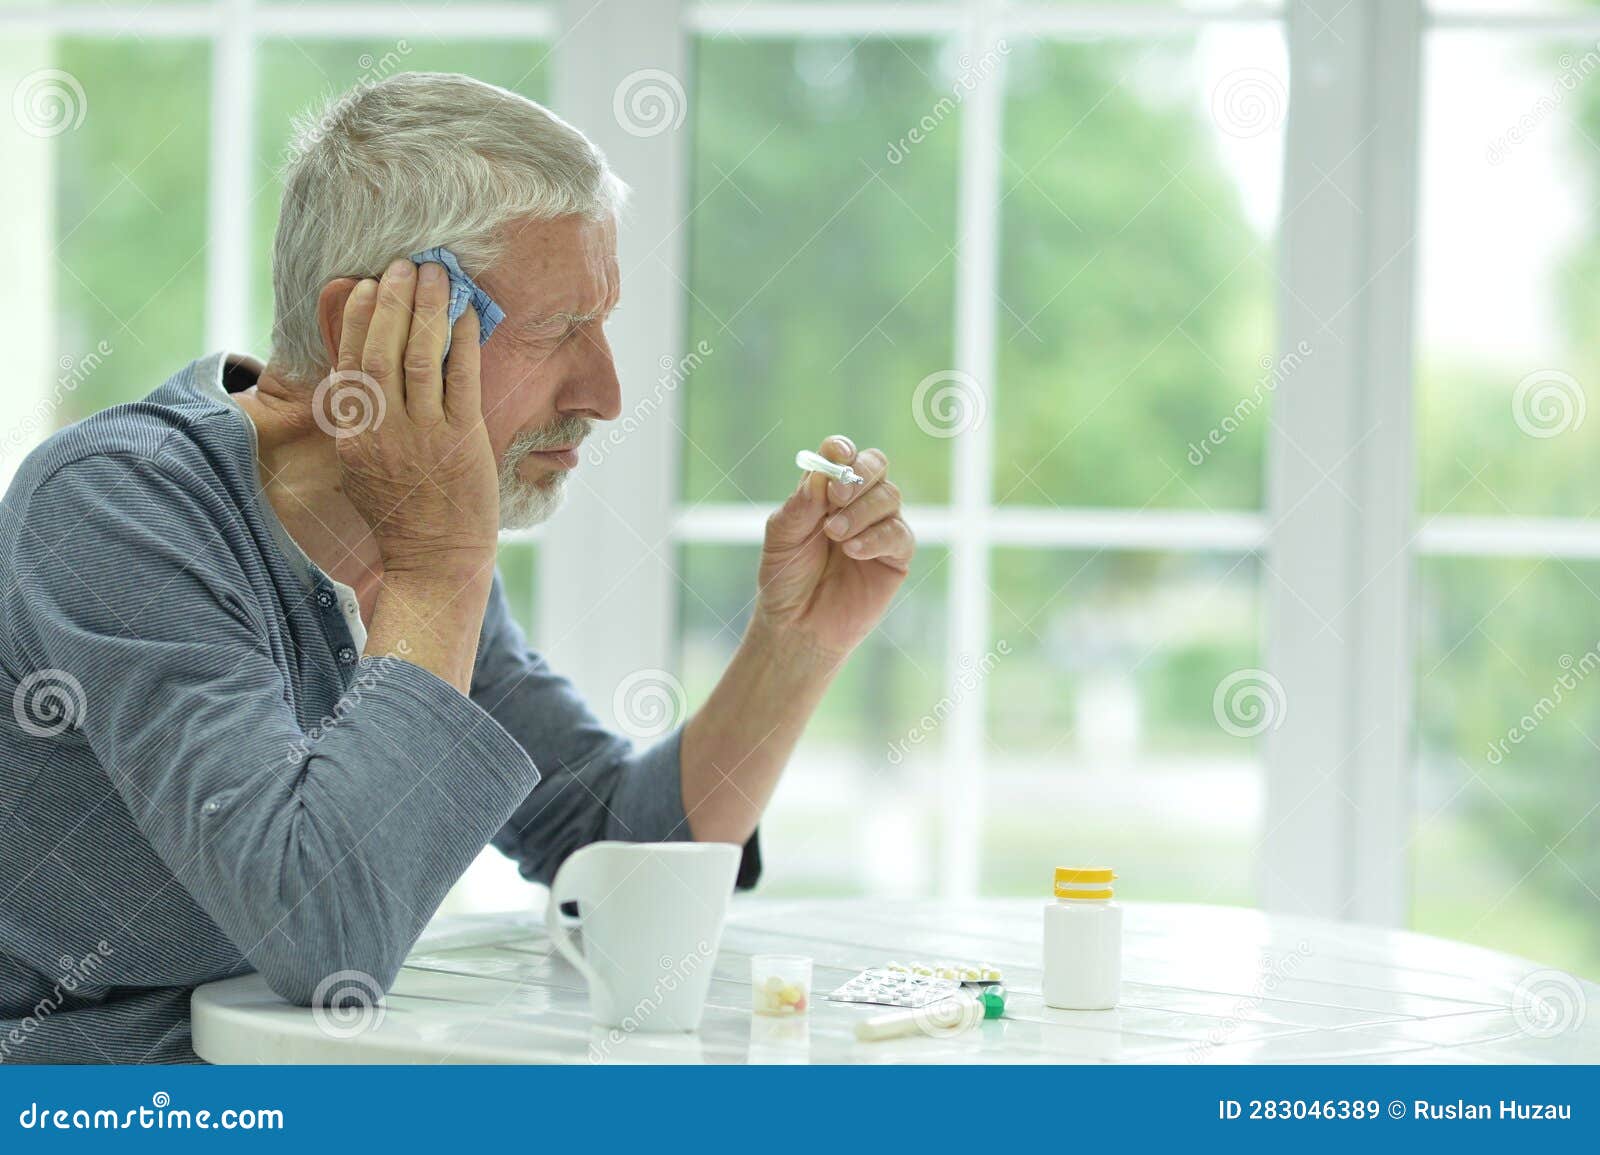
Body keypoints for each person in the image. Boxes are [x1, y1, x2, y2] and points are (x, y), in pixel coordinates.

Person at [0, 71, 914, 1063]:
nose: (605, 393)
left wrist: (793, 644)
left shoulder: (411, 535)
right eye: (558, 330)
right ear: (369, 332)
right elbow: (324, 933)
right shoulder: (116, 503)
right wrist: (440, 566)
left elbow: (614, 844)